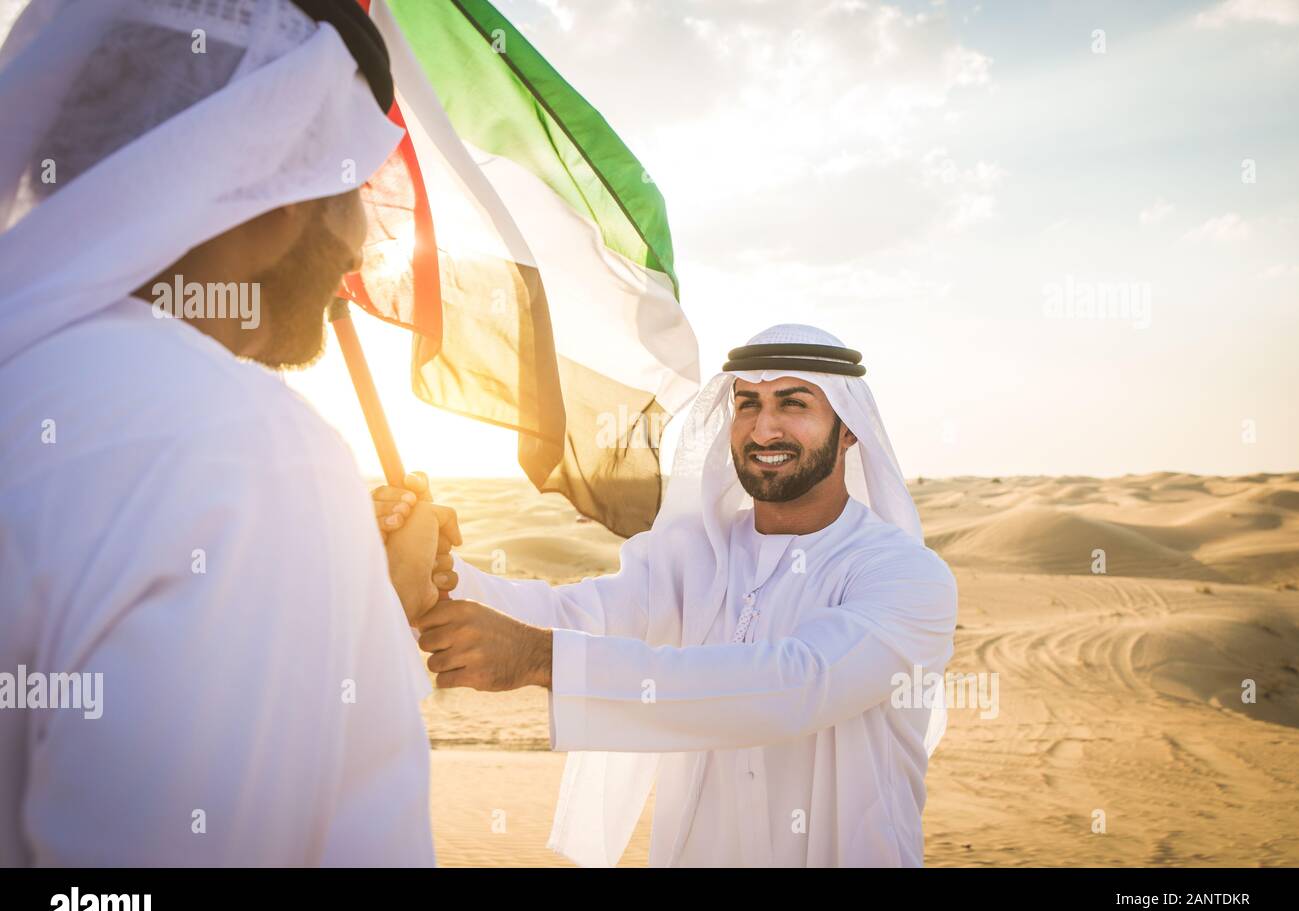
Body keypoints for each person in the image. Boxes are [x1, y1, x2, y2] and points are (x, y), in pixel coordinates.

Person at [0, 0, 452, 866]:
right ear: (271, 176)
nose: (362, 247)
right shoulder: (251, 450)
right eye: (354, 185)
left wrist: (366, 588)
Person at [378, 324, 959, 867]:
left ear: (849, 427)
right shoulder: (690, 556)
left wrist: (540, 658)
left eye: (794, 403)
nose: (763, 430)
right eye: (747, 404)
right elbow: (570, 615)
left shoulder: (905, 574)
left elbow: (800, 685)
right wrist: (431, 572)